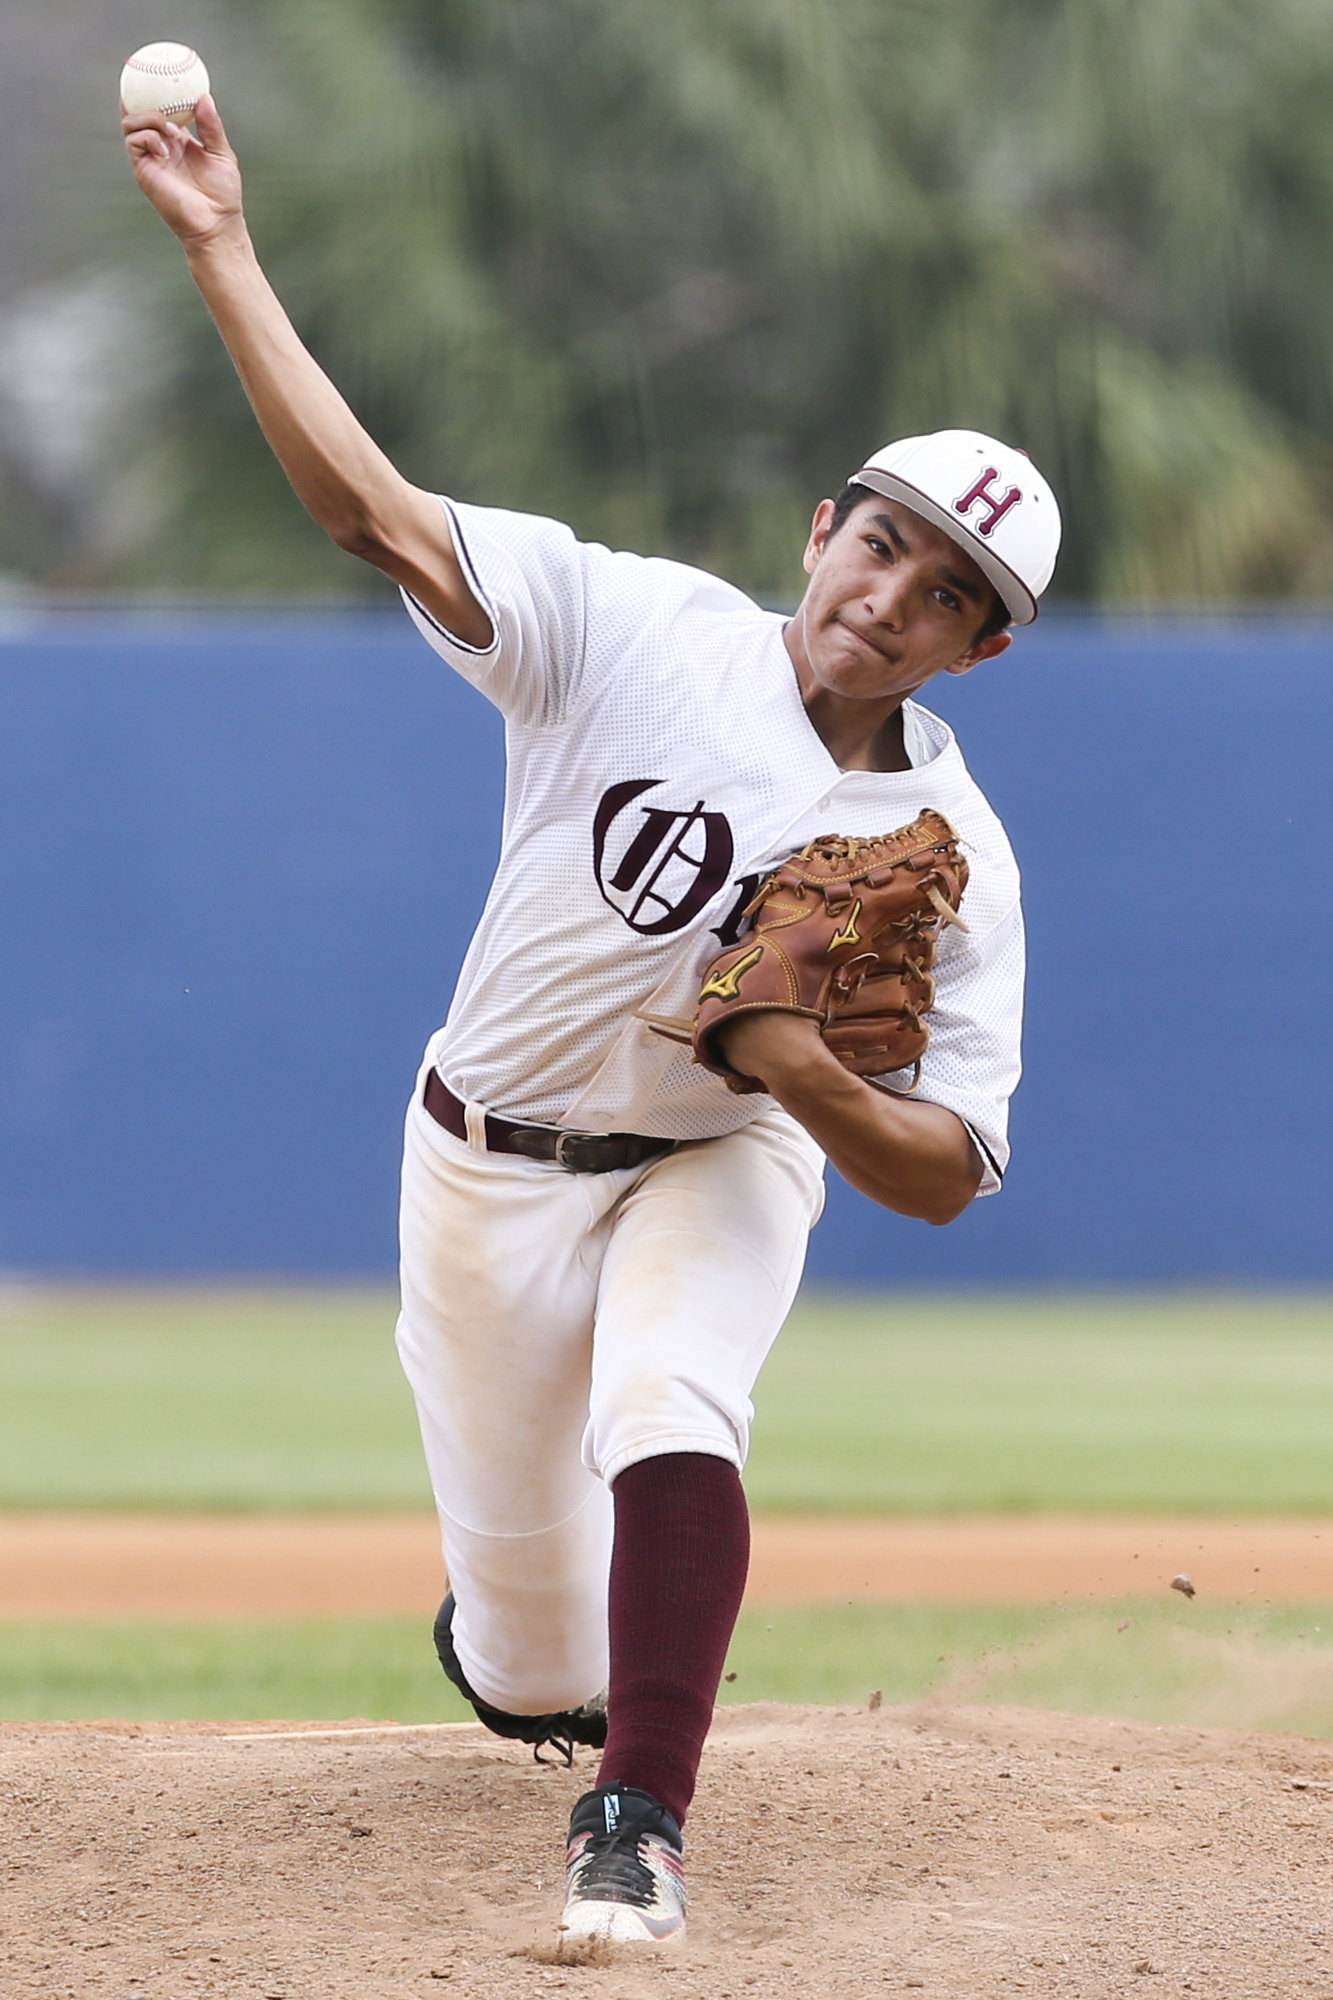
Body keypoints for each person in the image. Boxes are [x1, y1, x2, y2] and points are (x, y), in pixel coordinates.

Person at [124, 94, 1060, 1947]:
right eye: (882, 543)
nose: (892, 598)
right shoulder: (629, 632)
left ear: (980, 649)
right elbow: (363, 511)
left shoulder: (951, 853)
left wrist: (791, 1073)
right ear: (821, 528)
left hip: (718, 1158)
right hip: (481, 1162)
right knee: (528, 1653)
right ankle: (529, 1671)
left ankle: (635, 1828)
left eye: (949, 594)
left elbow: (952, 1172)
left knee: (671, 1398)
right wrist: (223, 245)